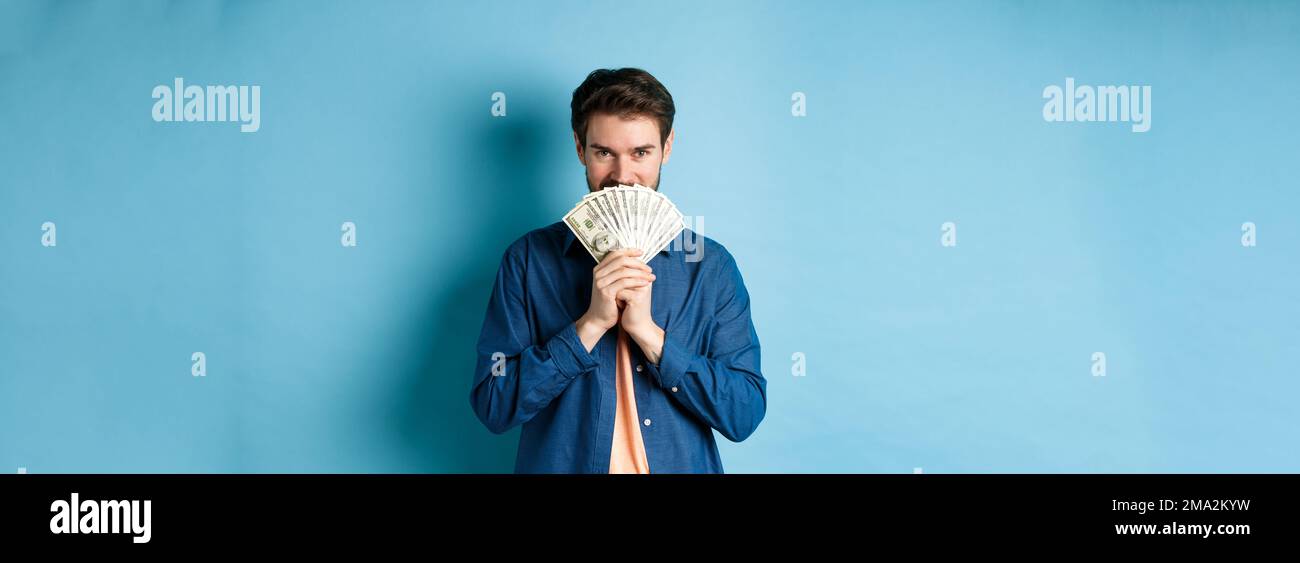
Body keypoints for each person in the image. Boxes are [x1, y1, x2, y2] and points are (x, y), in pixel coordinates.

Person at [469, 67, 766, 473]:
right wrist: (589, 325)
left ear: (668, 146)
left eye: (641, 153)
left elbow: (744, 413)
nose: (623, 177)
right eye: (604, 152)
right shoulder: (528, 260)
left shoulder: (710, 268)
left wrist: (650, 335)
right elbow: (494, 404)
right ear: (579, 148)